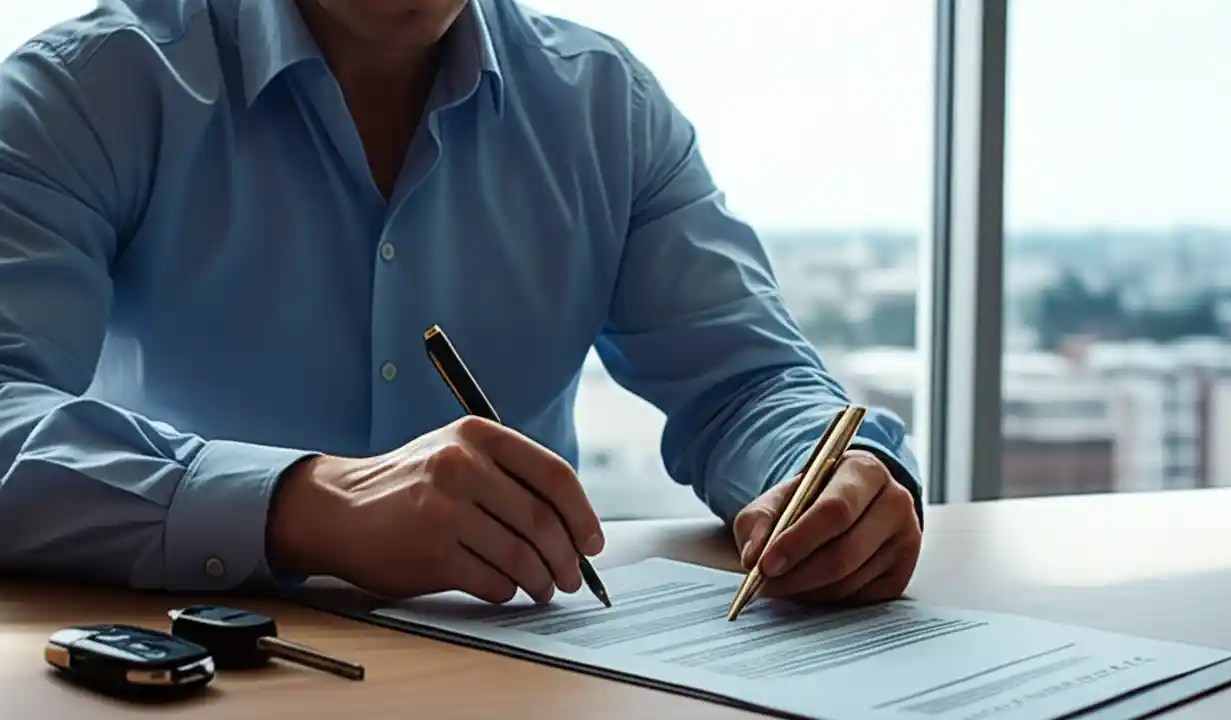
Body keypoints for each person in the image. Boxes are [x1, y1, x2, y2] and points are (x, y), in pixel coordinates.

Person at [0, 0, 923, 606]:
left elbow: (750, 385)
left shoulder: (607, 105)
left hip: (527, 679)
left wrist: (826, 472)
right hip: (203, 671)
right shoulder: (88, 89)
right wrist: (302, 507)